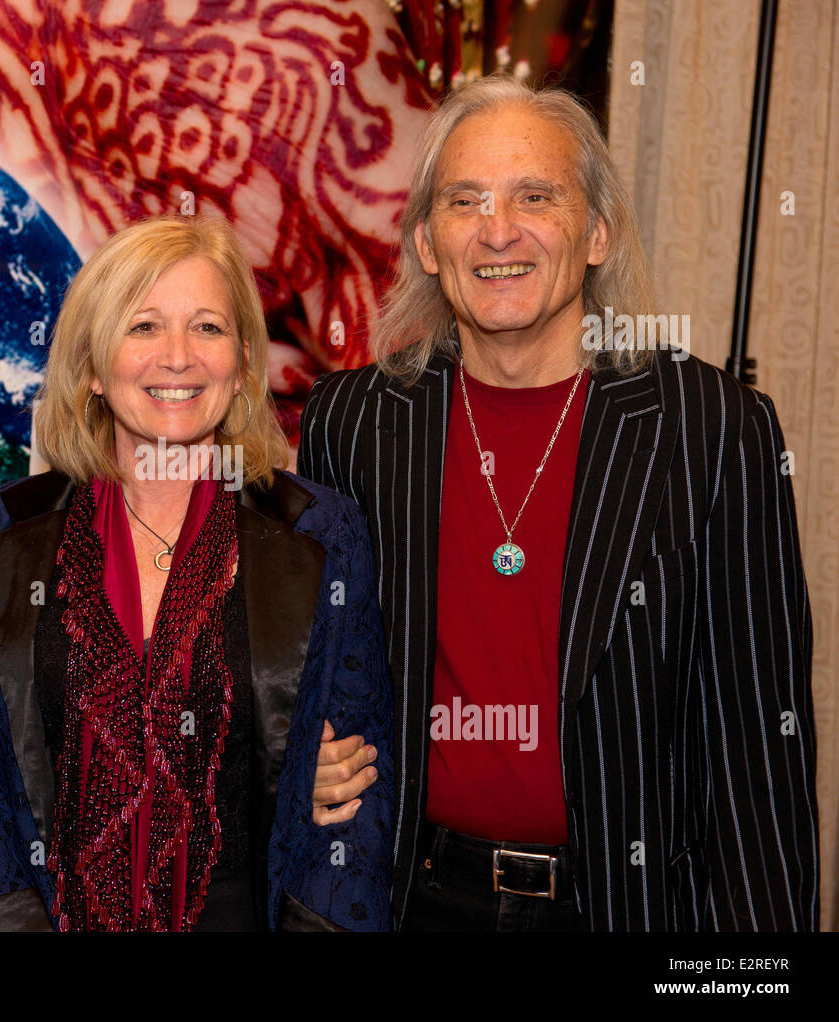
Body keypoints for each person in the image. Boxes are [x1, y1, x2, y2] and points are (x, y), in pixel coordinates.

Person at [299, 74, 817, 931]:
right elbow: (305, 671)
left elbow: (761, 750)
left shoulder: (713, 428)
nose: (498, 230)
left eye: (535, 196)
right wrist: (296, 754)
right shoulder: (352, 424)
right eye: (465, 201)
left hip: (633, 909)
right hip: (408, 902)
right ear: (428, 242)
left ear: (597, 232)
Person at [0, 215, 394, 931]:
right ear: (94, 366)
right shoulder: (2, 537)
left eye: (208, 329)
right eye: (144, 327)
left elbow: (354, 805)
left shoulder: (318, 535)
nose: (179, 357)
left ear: (244, 360)